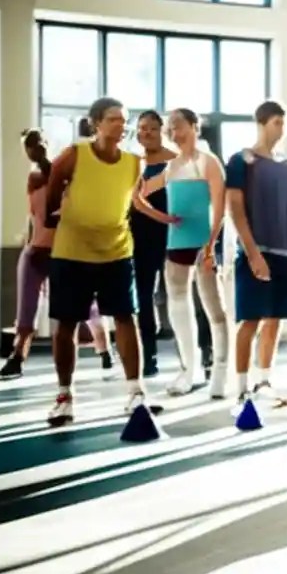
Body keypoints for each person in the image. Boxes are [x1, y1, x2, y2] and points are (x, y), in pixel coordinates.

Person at [44, 98, 176, 425]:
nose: (121, 125)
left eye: (123, 120)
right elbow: (50, 198)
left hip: (117, 251)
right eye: (114, 119)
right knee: (66, 326)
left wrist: (164, 217)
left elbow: (135, 200)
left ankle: (136, 392)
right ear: (95, 124)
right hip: (73, 252)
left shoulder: (134, 163)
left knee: (126, 318)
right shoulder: (72, 156)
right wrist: (60, 222)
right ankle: (64, 396)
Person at [0, 131, 113, 381]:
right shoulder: (33, 178)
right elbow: (34, 216)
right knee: (26, 309)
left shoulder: (64, 175)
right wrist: (27, 242)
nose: (33, 151)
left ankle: (104, 349)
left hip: (63, 252)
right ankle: (17, 358)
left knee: (85, 306)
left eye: (37, 145)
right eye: (28, 148)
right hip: (35, 252)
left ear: (46, 145)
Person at [138, 109, 231, 399]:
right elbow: (136, 195)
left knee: (213, 308)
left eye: (178, 126)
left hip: (203, 242)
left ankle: (220, 372)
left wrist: (211, 244)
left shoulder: (208, 161)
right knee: (177, 302)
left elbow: (220, 207)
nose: (173, 132)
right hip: (176, 242)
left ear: (194, 127)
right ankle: (188, 370)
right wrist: (161, 218)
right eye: (171, 128)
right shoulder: (172, 166)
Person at [226, 100, 287, 411]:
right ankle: (241, 389)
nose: (280, 130)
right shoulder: (242, 161)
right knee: (251, 320)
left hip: (286, 252)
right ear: (261, 124)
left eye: (283, 123)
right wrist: (253, 253)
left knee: (274, 320)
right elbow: (236, 209)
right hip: (256, 251)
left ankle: (264, 381)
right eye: (275, 123)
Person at [130, 112, 177, 378]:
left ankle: (197, 355)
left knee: (180, 294)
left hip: (173, 235)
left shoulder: (175, 160)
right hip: (142, 236)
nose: (147, 133)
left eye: (152, 128)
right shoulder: (133, 163)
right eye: (142, 128)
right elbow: (134, 199)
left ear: (162, 131)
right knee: (144, 295)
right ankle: (149, 356)